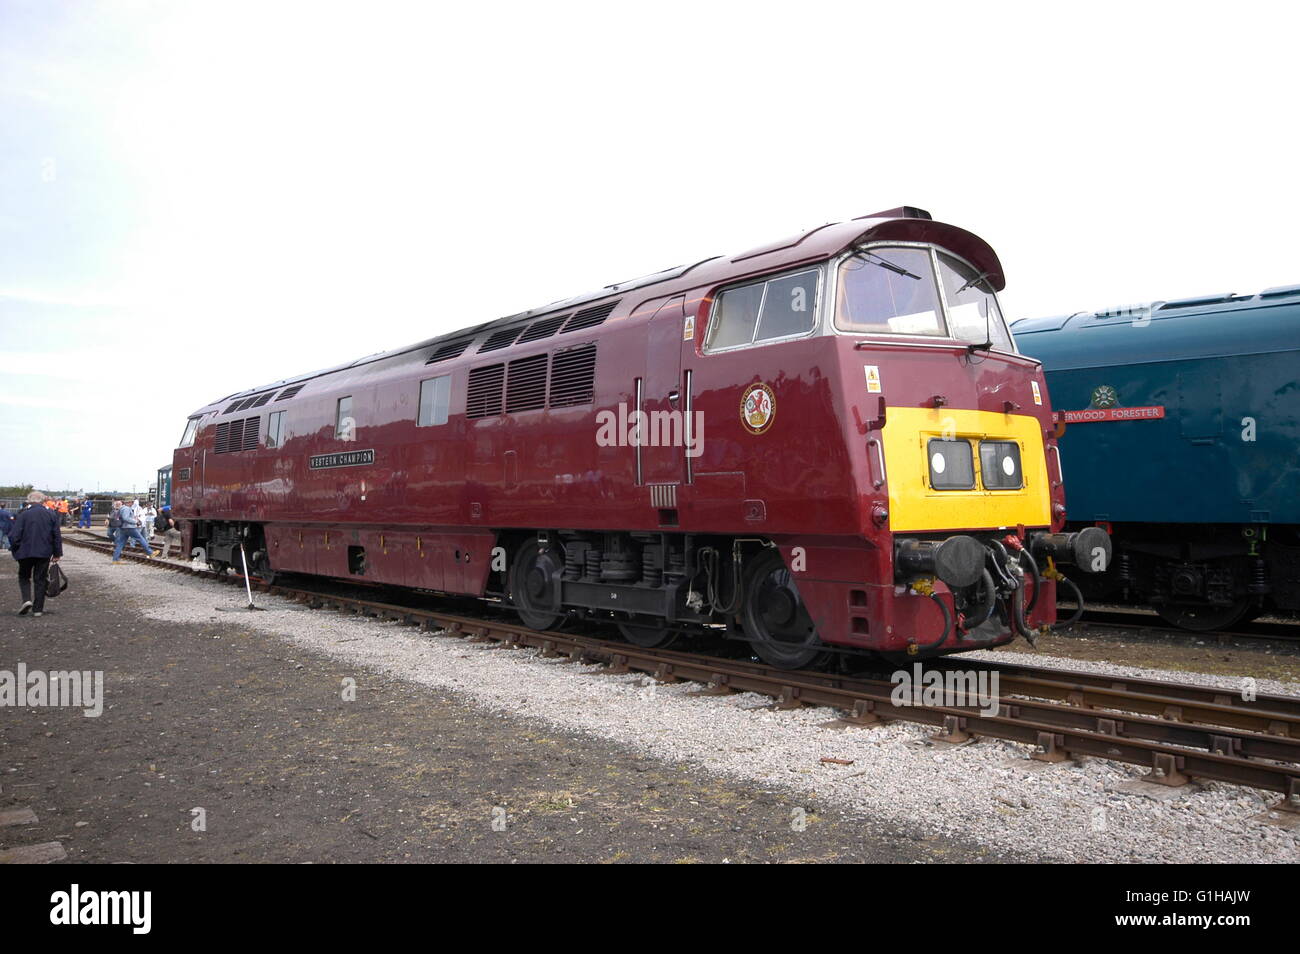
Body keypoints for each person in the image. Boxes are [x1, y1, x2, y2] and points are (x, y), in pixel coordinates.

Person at [10, 491, 62, 617]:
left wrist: (15, 549)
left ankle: (26, 600)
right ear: (43, 500)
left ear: (29, 500)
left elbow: (14, 535)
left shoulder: (23, 514)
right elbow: (56, 535)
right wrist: (57, 553)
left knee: (24, 576)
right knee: (40, 579)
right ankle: (38, 609)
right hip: (44, 552)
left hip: (25, 552)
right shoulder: (51, 514)